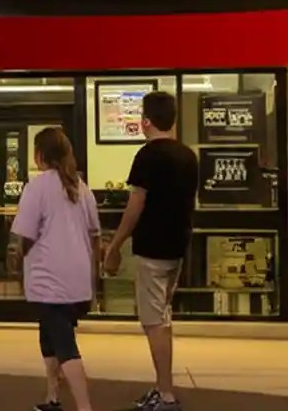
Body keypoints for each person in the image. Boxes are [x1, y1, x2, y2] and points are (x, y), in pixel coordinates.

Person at [103, 91, 198, 411]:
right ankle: (161, 388)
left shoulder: (147, 156)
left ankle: (166, 394)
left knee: (153, 321)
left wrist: (114, 245)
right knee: (163, 317)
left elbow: (135, 207)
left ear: (145, 121)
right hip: (177, 247)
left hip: (152, 249)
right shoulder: (188, 156)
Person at [11, 126, 102, 411]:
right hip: (76, 279)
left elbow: (25, 235)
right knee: (49, 335)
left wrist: (16, 258)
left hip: (49, 278)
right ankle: (52, 398)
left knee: (64, 345)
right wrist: (94, 277)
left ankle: (84, 406)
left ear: (39, 155)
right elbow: (95, 235)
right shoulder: (81, 188)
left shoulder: (37, 187)